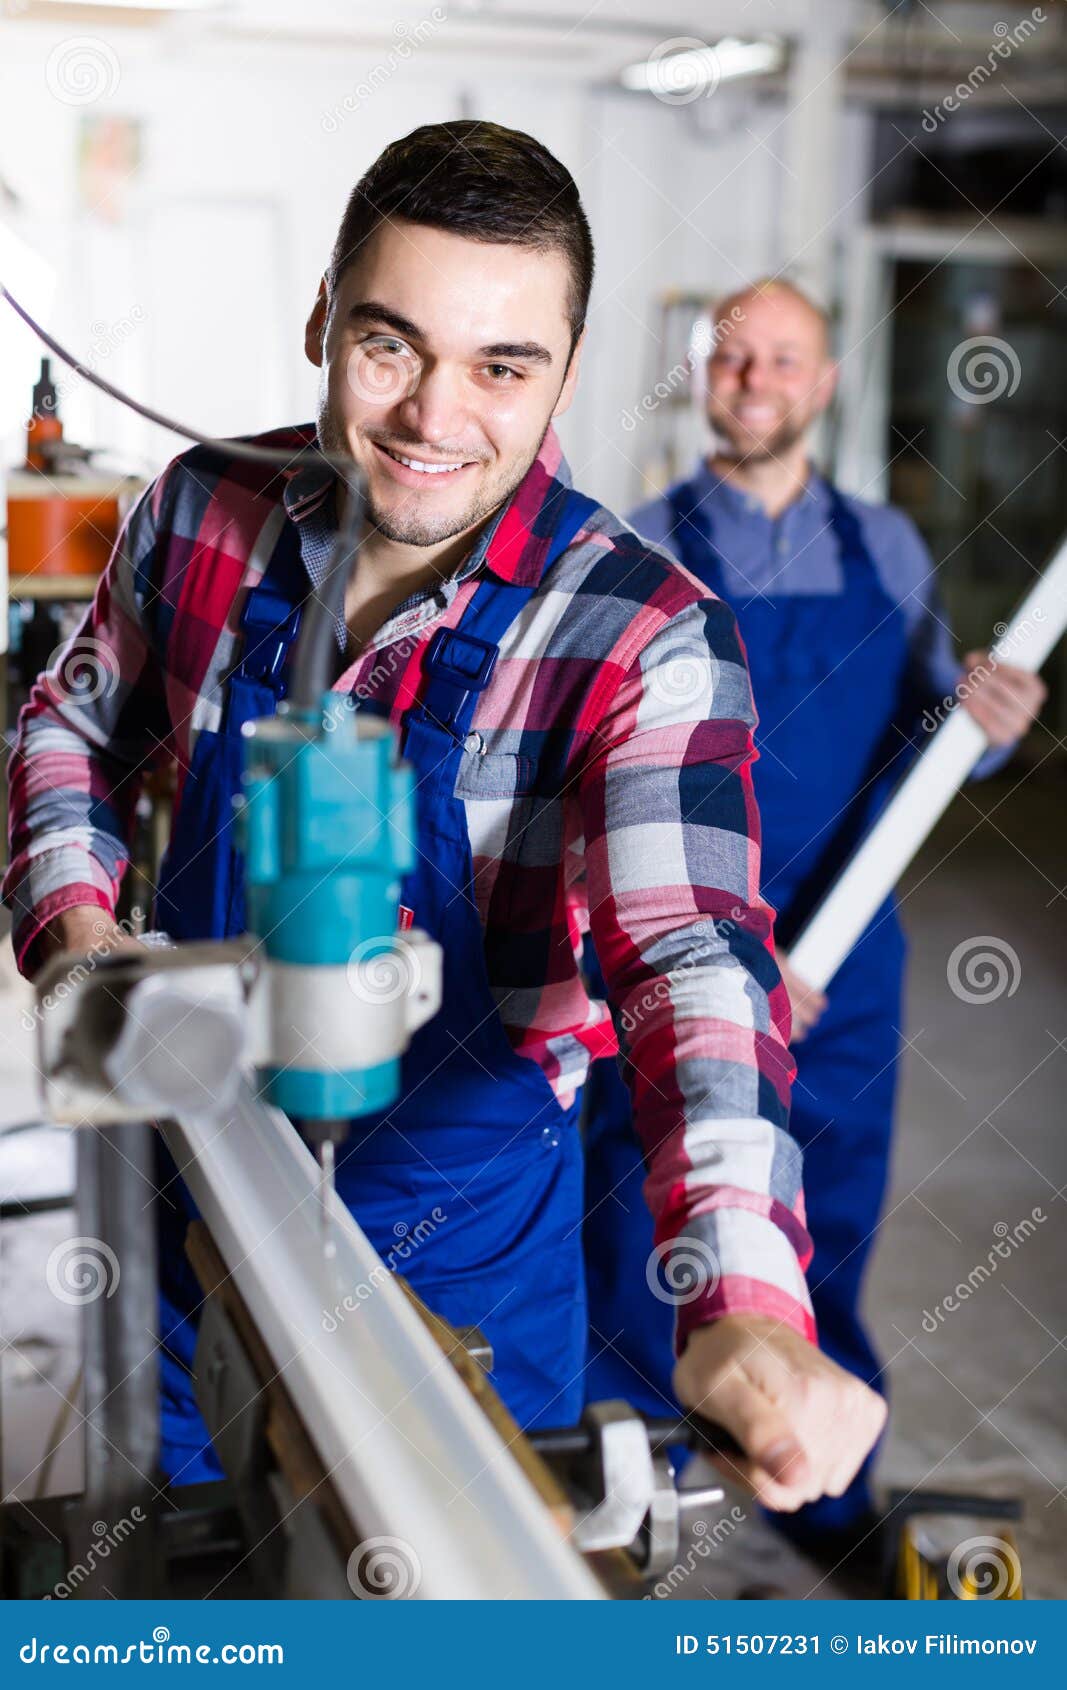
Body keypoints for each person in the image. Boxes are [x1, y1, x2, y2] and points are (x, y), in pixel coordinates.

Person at [5, 134, 884, 1508]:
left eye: (500, 365)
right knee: (185, 1572)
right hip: (188, 1202)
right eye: (389, 345)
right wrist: (74, 917)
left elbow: (690, 959)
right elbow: (69, 722)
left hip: (462, 1261)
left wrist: (743, 1296)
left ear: (567, 373)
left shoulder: (637, 633)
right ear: (321, 318)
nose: (431, 414)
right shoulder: (196, 512)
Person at [582, 277, 1046, 1555]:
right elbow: (606, 774)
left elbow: (924, 733)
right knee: (651, 1214)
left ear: (823, 383)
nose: (755, 380)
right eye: (732, 359)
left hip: (847, 957)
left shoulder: (886, 549)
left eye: (783, 359)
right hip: (679, 940)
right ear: (699, 376)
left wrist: (986, 728)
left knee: (828, 1213)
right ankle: (636, 1499)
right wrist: (729, 960)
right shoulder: (634, 546)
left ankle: (826, 1496)